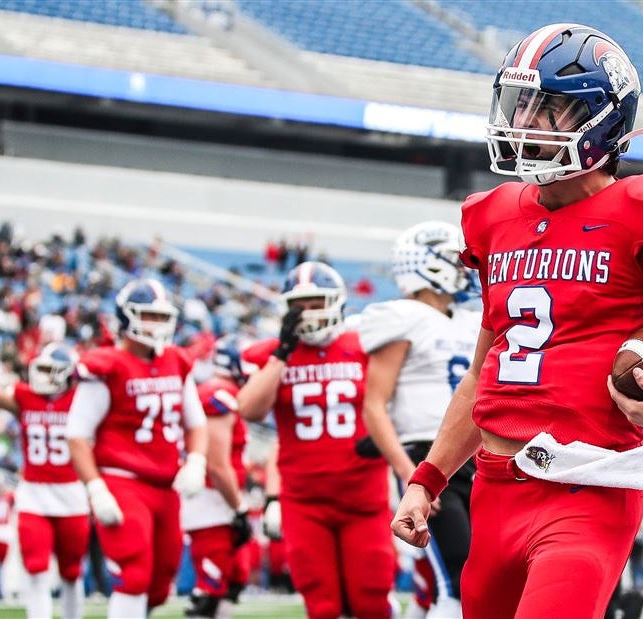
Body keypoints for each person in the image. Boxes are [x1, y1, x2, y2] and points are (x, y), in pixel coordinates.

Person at [390, 23, 643, 619]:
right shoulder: (495, 218)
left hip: (587, 493)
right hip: (495, 492)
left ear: (600, 120)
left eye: (547, 105)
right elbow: (483, 375)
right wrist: (428, 478)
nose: (525, 119)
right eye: (520, 101)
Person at [237, 261, 395, 619]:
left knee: (371, 599)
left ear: (337, 303)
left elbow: (395, 405)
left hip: (363, 497)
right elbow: (248, 409)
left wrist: (385, 438)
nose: (307, 313)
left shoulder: (365, 346)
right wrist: (282, 354)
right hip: (304, 501)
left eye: (316, 302)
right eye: (299, 306)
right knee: (321, 605)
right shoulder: (271, 353)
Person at [67, 278, 210, 619]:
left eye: (162, 317)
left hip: (166, 486)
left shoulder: (176, 361)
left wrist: (197, 461)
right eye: (148, 317)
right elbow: (77, 435)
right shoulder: (108, 365)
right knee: (134, 573)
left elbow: (196, 422)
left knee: (161, 584)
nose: (157, 326)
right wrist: (96, 488)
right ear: (126, 318)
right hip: (123, 481)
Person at [358, 220, 479, 618]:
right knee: (457, 578)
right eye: (452, 259)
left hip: (476, 451)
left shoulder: (469, 318)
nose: (462, 267)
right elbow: (375, 405)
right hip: (427, 453)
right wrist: (411, 473)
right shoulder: (399, 315)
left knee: (481, 574)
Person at [0, 329, 89, 619]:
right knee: (35, 568)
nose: (43, 376)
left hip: (72, 492)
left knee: (72, 572)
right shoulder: (26, 397)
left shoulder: (82, 399)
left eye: (50, 370)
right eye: (42, 369)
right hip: (34, 493)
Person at [183, 335, 254, 618]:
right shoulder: (219, 395)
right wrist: (239, 508)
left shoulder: (222, 392)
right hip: (211, 501)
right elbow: (216, 464)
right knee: (209, 592)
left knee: (233, 581)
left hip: (218, 498)